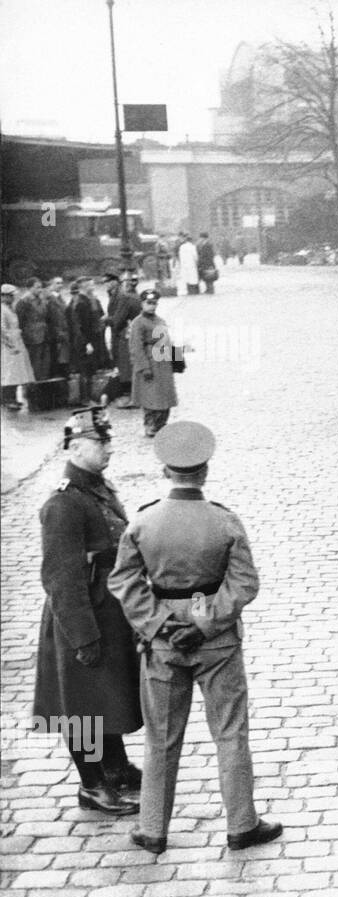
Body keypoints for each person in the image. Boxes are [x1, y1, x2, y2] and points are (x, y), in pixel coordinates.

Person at [108, 421, 280, 854]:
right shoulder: (224, 521)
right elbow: (244, 584)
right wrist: (201, 622)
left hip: (162, 643)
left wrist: (162, 624)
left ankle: (152, 828)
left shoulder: (144, 522)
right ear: (204, 471)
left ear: (166, 471)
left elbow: (124, 582)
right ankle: (242, 824)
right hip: (217, 642)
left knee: (161, 737)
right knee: (230, 731)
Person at [34, 407, 143, 815]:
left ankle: (114, 767)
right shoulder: (64, 503)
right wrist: (83, 635)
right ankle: (91, 786)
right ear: (76, 446)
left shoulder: (96, 488)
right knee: (81, 707)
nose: (110, 449)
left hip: (107, 609)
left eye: (109, 441)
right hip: (80, 616)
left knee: (103, 695)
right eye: (101, 443)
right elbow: (61, 577)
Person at [127, 289, 179, 437]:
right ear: (142, 304)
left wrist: (177, 360)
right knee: (150, 397)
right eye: (148, 303)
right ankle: (150, 425)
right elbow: (136, 346)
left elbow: (168, 340)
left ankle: (162, 424)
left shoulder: (160, 320)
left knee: (165, 396)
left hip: (164, 364)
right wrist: (144, 367)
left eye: (154, 303)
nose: (152, 306)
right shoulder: (138, 323)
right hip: (150, 363)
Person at [66, 278, 109, 397]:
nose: (93, 286)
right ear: (84, 287)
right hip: (84, 341)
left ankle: (87, 396)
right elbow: (80, 326)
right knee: (85, 370)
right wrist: (87, 343)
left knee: (88, 369)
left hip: (87, 340)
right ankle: (85, 397)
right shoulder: (82, 303)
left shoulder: (84, 301)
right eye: (91, 285)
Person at [105, 273, 142, 406]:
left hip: (127, 337)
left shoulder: (125, 298)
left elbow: (118, 320)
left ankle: (134, 398)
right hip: (138, 334)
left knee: (129, 368)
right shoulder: (137, 296)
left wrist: (107, 320)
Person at [1, 283, 35, 411]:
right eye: (10, 296)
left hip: (16, 342)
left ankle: (13, 398)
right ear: (4, 296)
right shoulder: (2, 310)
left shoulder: (10, 308)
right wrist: (10, 345)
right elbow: (2, 330)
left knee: (17, 373)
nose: (13, 298)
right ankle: (7, 399)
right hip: (8, 346)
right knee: (9, 373)